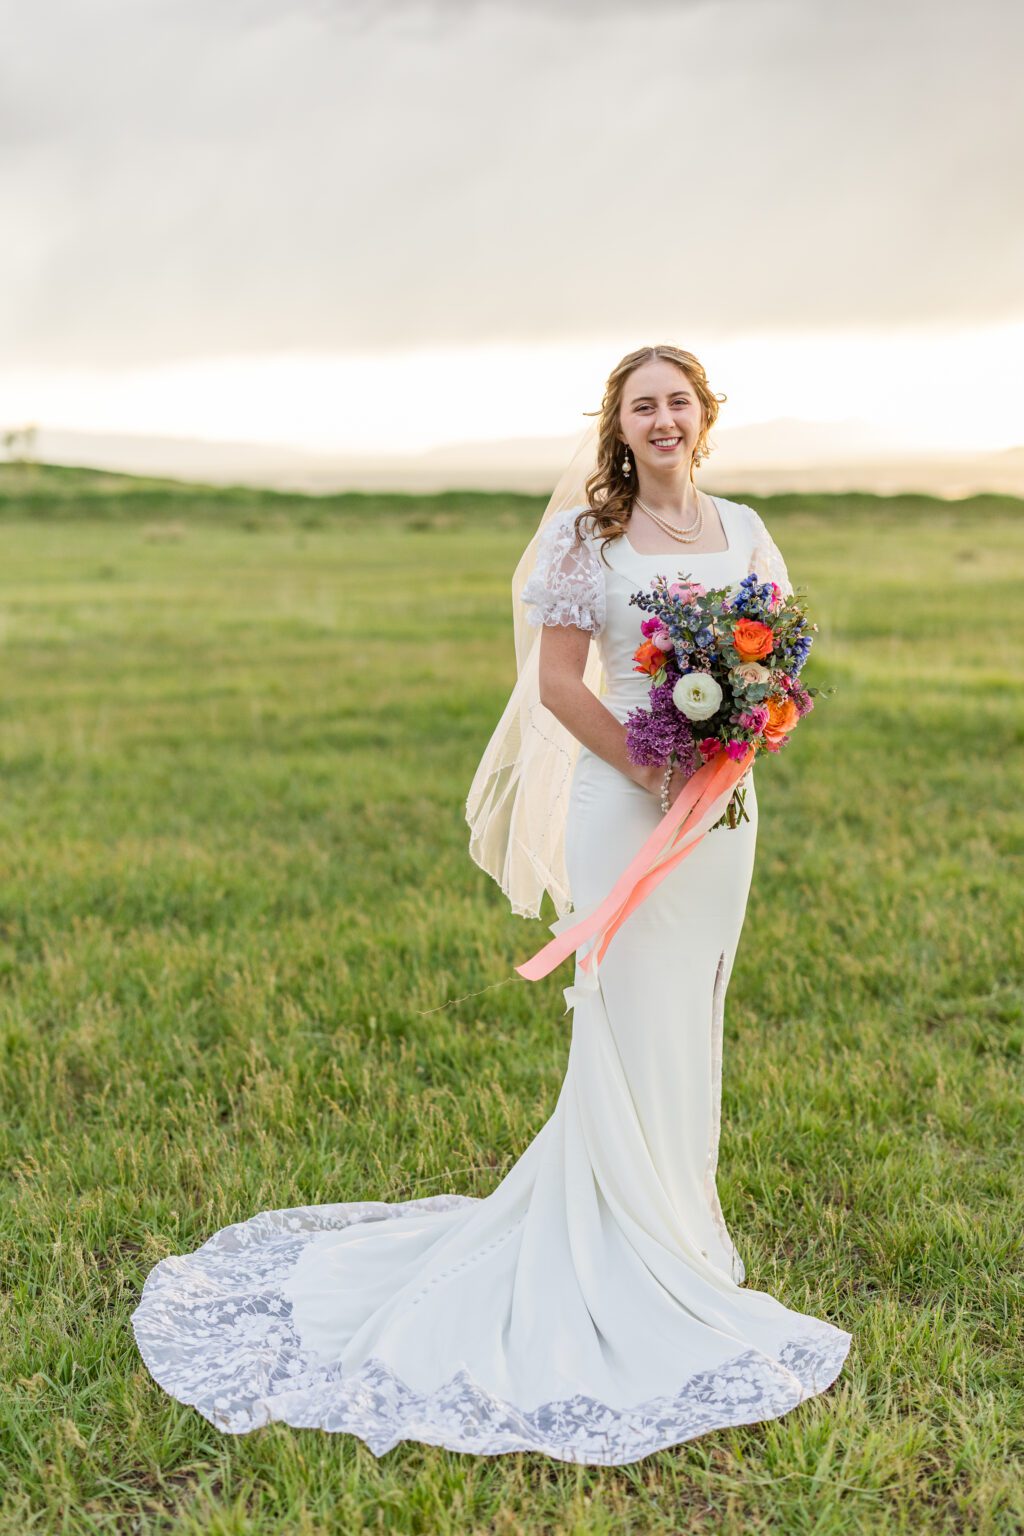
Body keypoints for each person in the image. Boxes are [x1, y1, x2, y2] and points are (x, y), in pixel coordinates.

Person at [131, 343, 852, 1465]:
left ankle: (682, 1228)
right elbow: (560, 683)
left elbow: (777, 659)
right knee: (627, 1013)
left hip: (725, 815)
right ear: (616, 425)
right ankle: (619, 1243)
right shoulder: (587, 540)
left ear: (704, 417)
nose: (662, 420)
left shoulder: (747, 526)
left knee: (694, 1011)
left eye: (678, 403)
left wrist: (745, 733)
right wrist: (651, 766)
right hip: (627, 805)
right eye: (640, 405)